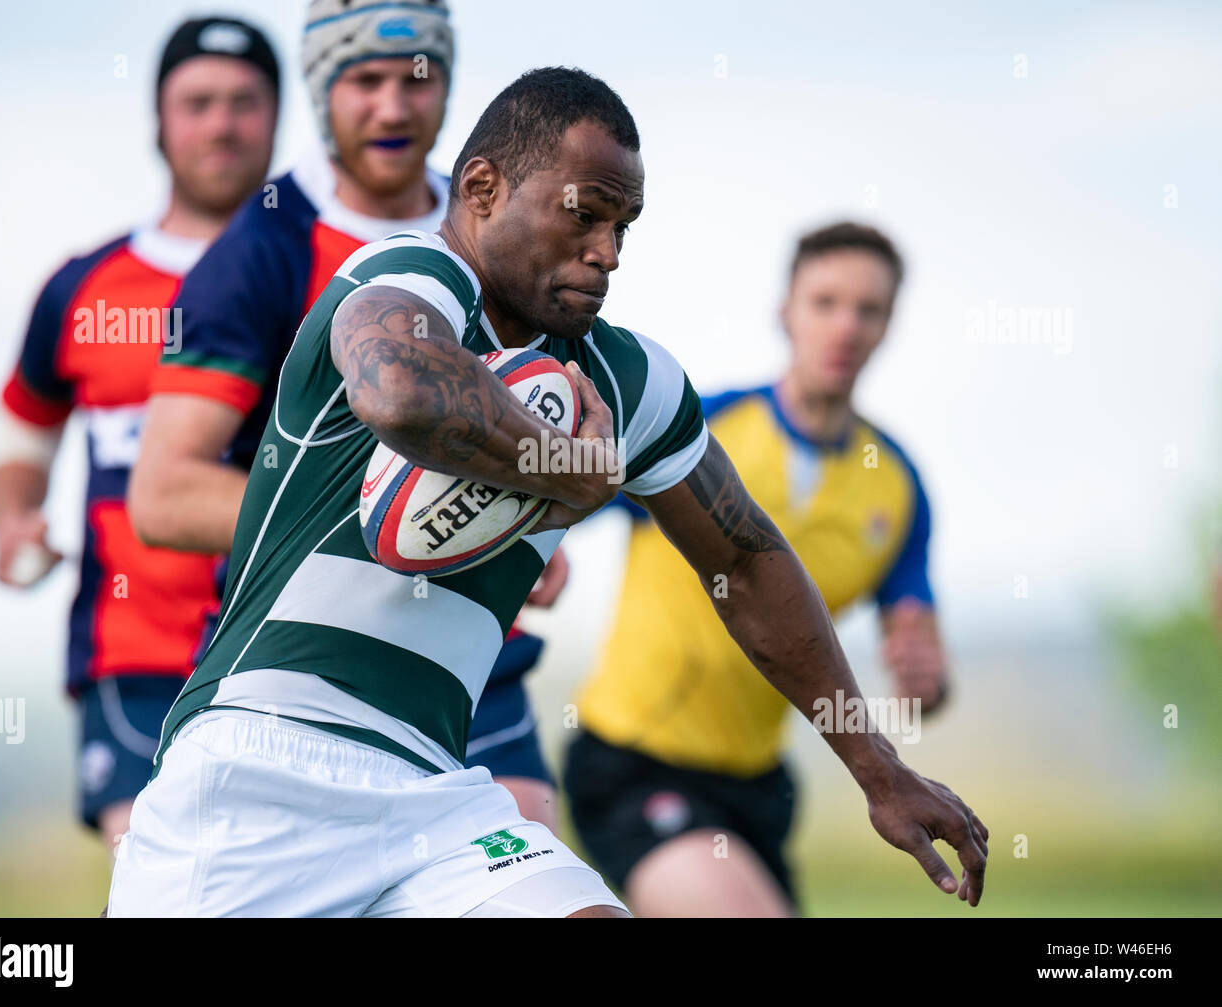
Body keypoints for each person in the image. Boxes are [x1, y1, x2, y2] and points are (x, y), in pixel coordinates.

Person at [108, 67, 987, 919]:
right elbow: (402, 392)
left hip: (431, 793)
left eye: (624, 226)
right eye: (585, 214)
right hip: (256, 769)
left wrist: (879, 768)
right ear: (483, 187)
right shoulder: (409, 276)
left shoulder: (628, 381)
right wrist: (566, 469)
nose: (606, 252)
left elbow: (748, 562)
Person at [127, 0, 565, 830]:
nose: (394, 107)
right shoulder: (261, 251)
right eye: (365, 80)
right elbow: (164, 494)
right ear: (321, 89)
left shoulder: (510, 241)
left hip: (473, 662)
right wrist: (396, 521)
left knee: (530, 867)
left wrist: (524, 513)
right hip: (298, 665)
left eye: (416, 78)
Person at [564, 222, 949, 917]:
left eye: (868, 309)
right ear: (786, 312)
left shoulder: (896, 487)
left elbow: (919, 645)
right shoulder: (698, 426)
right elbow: (557, 509)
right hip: (632, 763)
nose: (845, 326)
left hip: (759, 789)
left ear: (890, 325)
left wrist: (926, 675)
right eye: (825, 301)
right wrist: (539, 557)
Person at [0, 17, 280, 851]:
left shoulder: (327, 276)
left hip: (296, 652)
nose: (221, 123)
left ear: (278, 115)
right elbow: (20, 430)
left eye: (244, 103)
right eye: (198, 102)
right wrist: (14, 518)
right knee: (162, 880)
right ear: (159, 120)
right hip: (138, 658)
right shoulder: (84, 288)